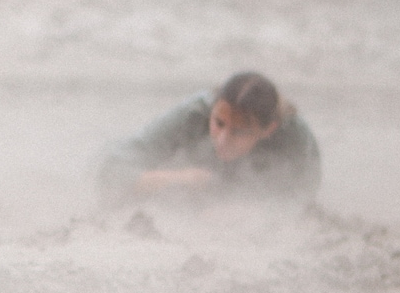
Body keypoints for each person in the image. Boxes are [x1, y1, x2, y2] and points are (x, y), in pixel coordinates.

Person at [98, 71, 321, 205]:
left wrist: (246, 210)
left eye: (239, 131)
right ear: (212, 110)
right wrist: (178, 179)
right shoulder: (195, 114)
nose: (222, 140)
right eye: (219, 124)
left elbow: (303, 197)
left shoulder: (294, 137)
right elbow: (112, 166)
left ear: (268, 130)